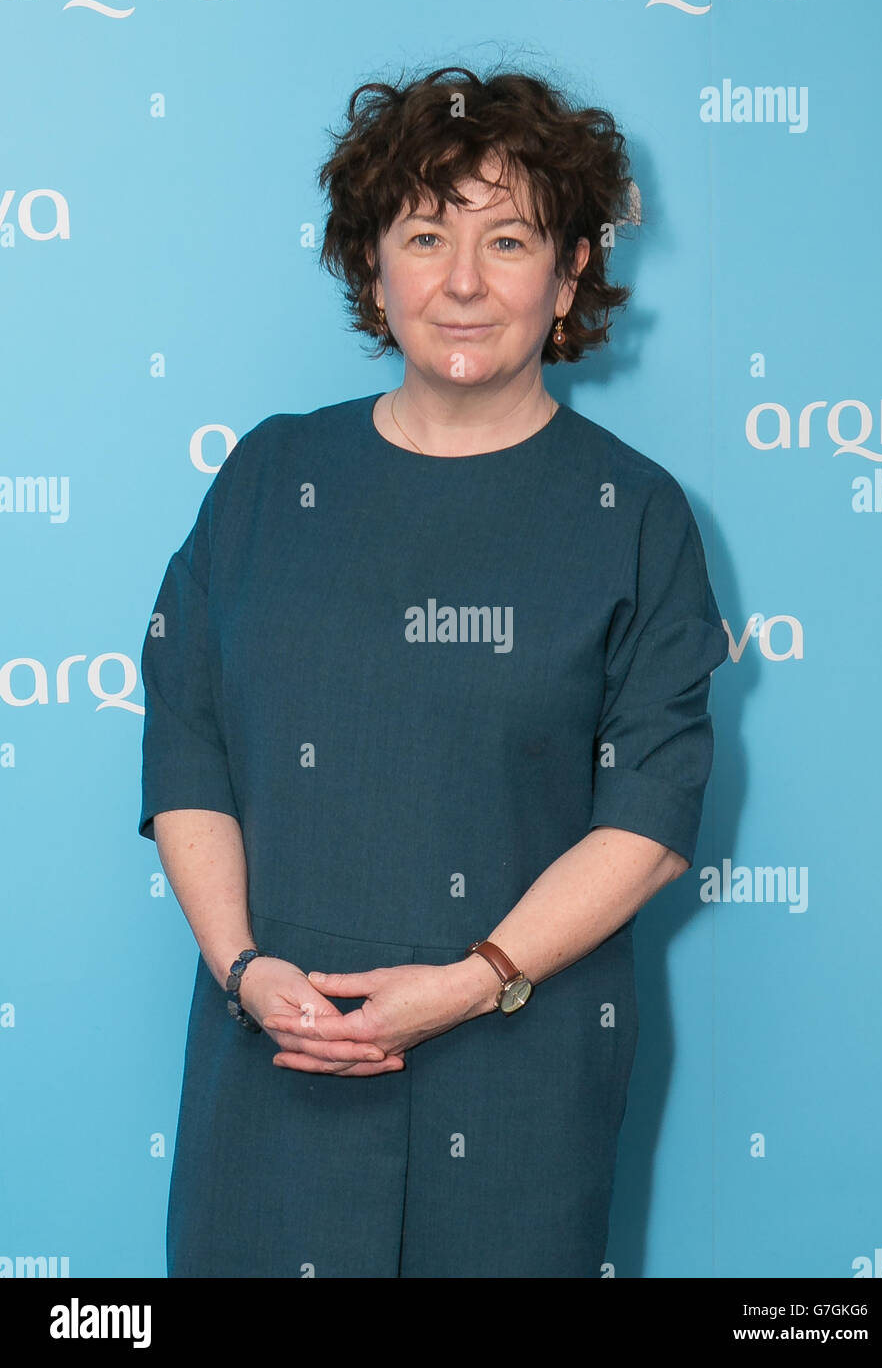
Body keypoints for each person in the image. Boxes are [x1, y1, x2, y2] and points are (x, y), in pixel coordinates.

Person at [138, 63, 730, 1279]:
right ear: (373, 267)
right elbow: (186, 737)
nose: (462, 282)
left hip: (517, 1066)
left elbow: (654, 815)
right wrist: (246, 970)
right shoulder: (266, 481)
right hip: (276, 1061)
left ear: (569, 274)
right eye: (424, 234)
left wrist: (474, 982)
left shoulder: (634, 513)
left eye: (507, 239)